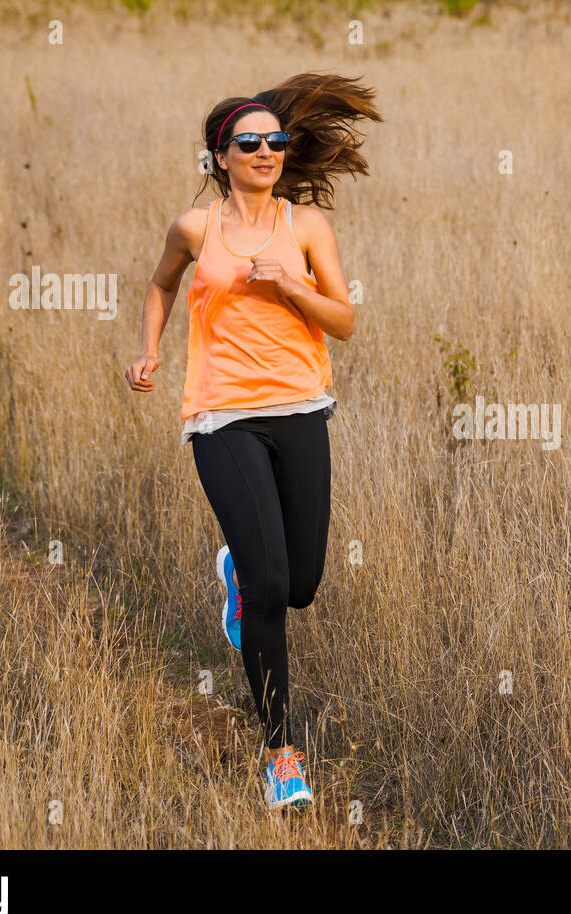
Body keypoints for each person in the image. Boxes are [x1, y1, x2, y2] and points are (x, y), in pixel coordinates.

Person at [124, 73, 380, 810]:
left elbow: (344, 319)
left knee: (299, 585)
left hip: (300, 408)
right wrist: (149, 348)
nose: (267, 150)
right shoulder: (195, 229)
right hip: (221, 416)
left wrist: (292, 287)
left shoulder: (306, 229)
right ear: (220, 155)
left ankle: (237, 572)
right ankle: (282, 754)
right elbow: (160, 285)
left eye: (277, 140)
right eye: (251, 142)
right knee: (273, 590)